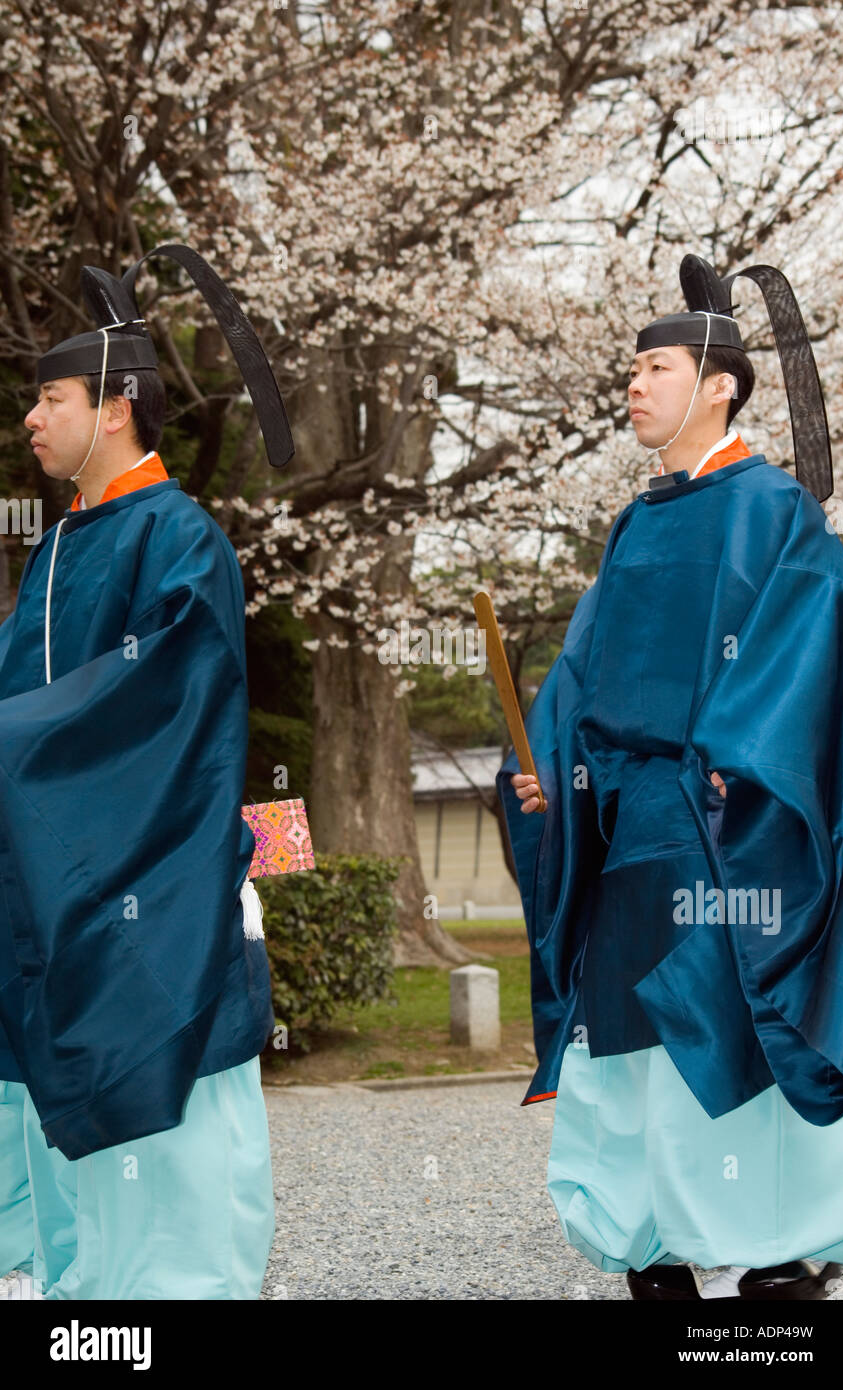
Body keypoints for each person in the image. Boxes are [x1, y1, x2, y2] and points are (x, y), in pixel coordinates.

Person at [497, 253, 843, 1302]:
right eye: (629, 368)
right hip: (620, 840)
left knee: (723, 1048)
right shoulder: (635, 522)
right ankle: (649, 1253)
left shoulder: (772, 512)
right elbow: (580, 672)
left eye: (653, 366)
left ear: (719, 383)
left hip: (720, 835)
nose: (631, 384)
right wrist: (545, 766)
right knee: (626, 1060)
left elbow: (807, 664)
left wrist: (723, 773)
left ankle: (774, 1272)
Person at [0, 244, 293, 1300]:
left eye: (51, 398)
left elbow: (161, 703)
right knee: (49, 1110)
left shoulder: (180, 540)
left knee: (171, 1138)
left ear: (115, 407)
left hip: (151, 884)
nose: (31, 419)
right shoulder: (54, 551)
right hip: (57, 884)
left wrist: (17, 751)